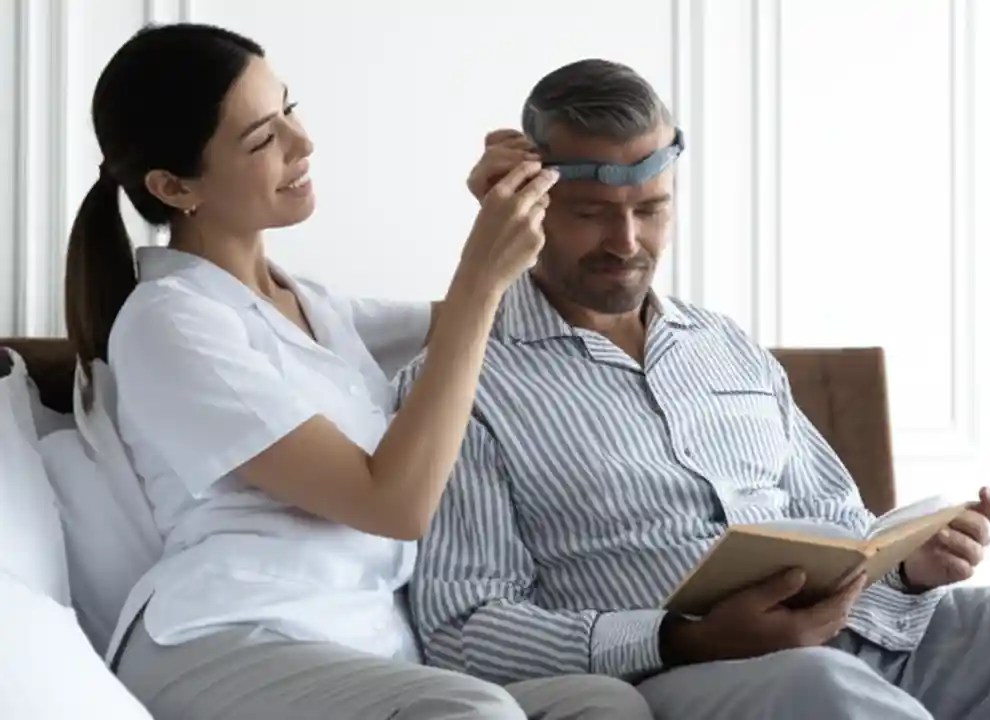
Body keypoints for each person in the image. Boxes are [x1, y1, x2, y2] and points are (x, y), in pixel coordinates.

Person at [404, 58, 990, 719]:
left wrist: (907, 567)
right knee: (825, 692)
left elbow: (845, 531)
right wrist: (685, 637)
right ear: (531, 199)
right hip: (712, 679)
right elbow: (465, 624)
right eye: (593, 212)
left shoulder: (725, 348)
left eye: (653, 208)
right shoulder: (461, 382)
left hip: (885, 646)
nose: (627, 241)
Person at [64, 24, 651, 720]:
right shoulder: (169, 323)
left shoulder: (310, 305)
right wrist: (477, 278)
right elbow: (393, 505)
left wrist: (530, 199)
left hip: (363, 649)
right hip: (226, 644)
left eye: (289, 107)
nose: (302, 143)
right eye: (261, 139)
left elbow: (498, 316)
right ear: (174, 185)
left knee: (601, 705)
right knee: (476, 715)